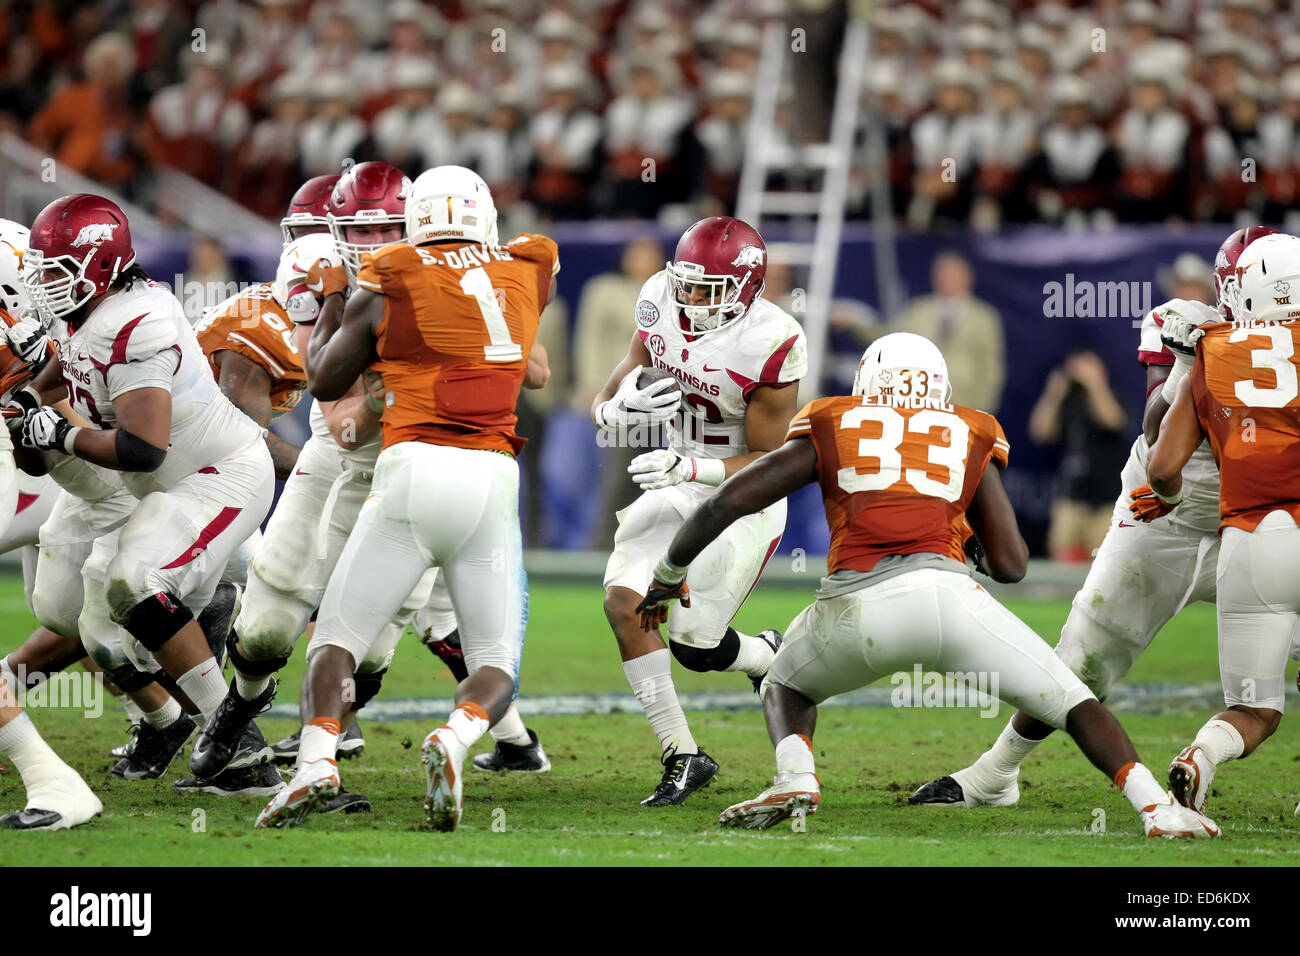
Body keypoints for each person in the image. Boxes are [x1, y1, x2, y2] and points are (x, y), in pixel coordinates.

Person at [636, 332, 1219, 840]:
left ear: (868, 380)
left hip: (855, 608)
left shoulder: (833, 418)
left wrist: (668, 573)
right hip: (950, 603)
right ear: (937, 387)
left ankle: (797, 778)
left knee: (784, 684)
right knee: (1073, 702)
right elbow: (1013, 564)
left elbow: (731, 500)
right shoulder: (970, 429)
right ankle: (1155, 807)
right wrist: (967, 543)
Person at [910, 226, 1277, 809]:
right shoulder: (1186, 322)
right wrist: (1195, 361)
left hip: (1261, 518)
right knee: (1083, 656)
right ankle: (995, 772)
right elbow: (1156, 427)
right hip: (1163, 517)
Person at [256, 165, 556, 829]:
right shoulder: (533, 263)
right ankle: (456, 736)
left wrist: (337, 299)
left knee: (336, 636)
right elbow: (526, 350)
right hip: (491, 478)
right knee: (495, 660)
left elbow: (326, 380)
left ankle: (315, 763)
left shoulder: (389, 272)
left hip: (411, 469)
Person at [8, 194, 281, 815]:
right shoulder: (89, 314)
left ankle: (240, 749)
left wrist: (60, 433)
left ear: (98, 264)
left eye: (56, 273)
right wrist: (25, 403)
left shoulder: (140, 322)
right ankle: (223, 716)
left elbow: (142, 448)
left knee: (136, 580)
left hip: (219, 477)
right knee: (98, 632)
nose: (46, 289)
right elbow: (58, 377)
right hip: (165, 491)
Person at [592, 216, 806, 806]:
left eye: (705, 289)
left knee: (694, 647)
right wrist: (614, 410)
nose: (688, 298)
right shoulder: (659, 296)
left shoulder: (773, 338)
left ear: (745, 288)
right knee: (625, 602)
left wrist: (694, 471)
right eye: (684, 283)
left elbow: (772, 459)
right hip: (675, 472)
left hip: (742, 496)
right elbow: (616, 386)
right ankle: (683, 754)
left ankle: (766, 651)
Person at [1134, 231, 1300, 816]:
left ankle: (1201, 756)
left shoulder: (1214, 349)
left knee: (1256, 708)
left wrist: (1170, 499)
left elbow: (1162, 465)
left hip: (1249, 543)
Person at [573, 236, 666, 547]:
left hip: (664, 398)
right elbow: (589, 338)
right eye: (636, 254)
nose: (642, 261)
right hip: (621, 396)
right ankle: (601, 547)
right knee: (618, 475)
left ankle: (649, 547)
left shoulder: (669, 292)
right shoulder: (604, 290)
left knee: (660, 477)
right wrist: (593, 385)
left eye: (649, 255)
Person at [1027, 349, 1130, 562]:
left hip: (1107, 499)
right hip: (1072, 496)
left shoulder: (1114, 397)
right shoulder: (1068, 404)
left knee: (1103, 562)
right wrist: (1054, 393)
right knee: (1062, 554)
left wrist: (1095, 384)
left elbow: (1113, 420)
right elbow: (1041, 432)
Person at [892, 252, 1004, 412]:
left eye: (954, 274)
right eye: (943, 273)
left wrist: (983, 407)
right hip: (917, 401)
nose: (948, 278)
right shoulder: (917, 310)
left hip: (965, 404)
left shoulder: (984, 317)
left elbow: (990, 366)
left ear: (967, 278)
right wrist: (855, 321)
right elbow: (892, 340)